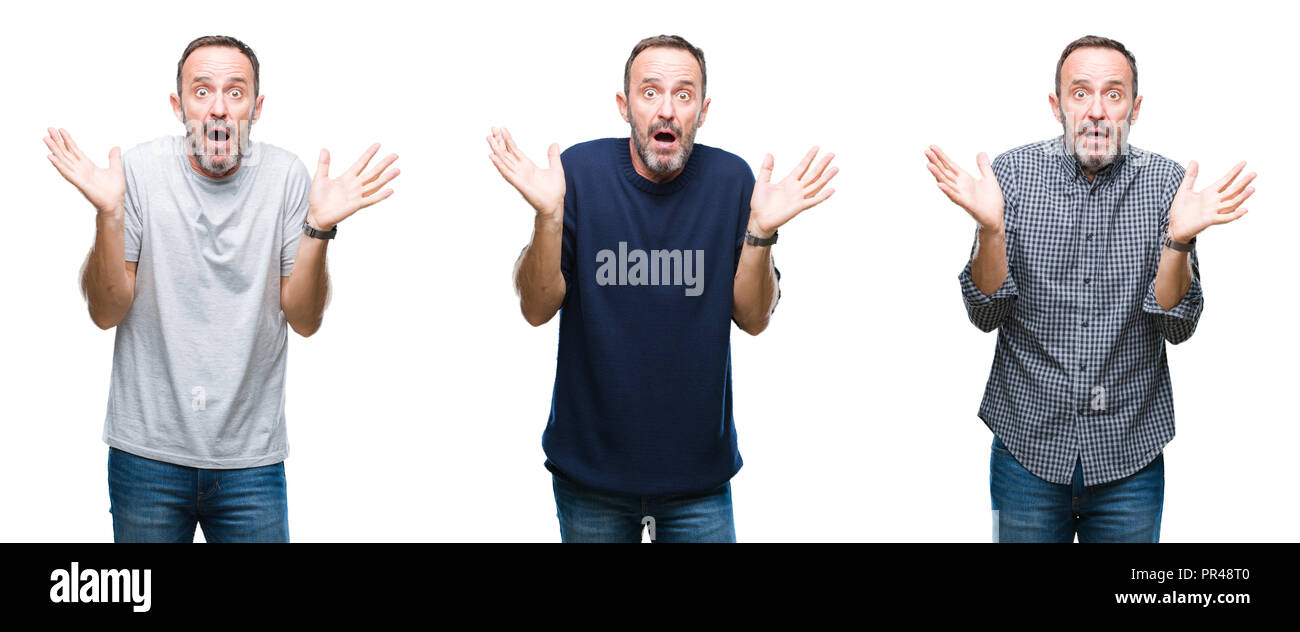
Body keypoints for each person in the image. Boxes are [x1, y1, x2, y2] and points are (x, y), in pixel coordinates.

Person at [43, 35, 400, 542]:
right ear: (178, 105)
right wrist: (110, 214)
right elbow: (106, 311)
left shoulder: (286, 178)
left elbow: (303, 319)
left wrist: (318, 227)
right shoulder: (139, 173)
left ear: (255, 108)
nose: (217, 108)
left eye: (235, 93)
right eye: (201, 90)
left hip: (250, 462)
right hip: (147, 455)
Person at [488, 34, 837, 542]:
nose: (666, 110)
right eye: (649, 92)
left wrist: (761, 231)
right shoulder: (578, 175)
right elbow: (537, 309)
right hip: (591, 475)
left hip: (699, 479)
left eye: (683, 93)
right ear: (623, 105)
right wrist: (548, 216)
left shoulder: (731, 180)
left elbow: (754, 318)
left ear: (703, 108)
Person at [925, 35, 1254, 542]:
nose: (1096, 110)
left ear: (1135, 107)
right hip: (1026, 452)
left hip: (1129, 457)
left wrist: (1179, 241)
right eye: (1080, 93)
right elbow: (985, 314)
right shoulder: (1009, 177)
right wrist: (991, 230)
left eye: (1113, 94)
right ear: (1057, 105)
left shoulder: (1168, 185)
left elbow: (1176, 325)